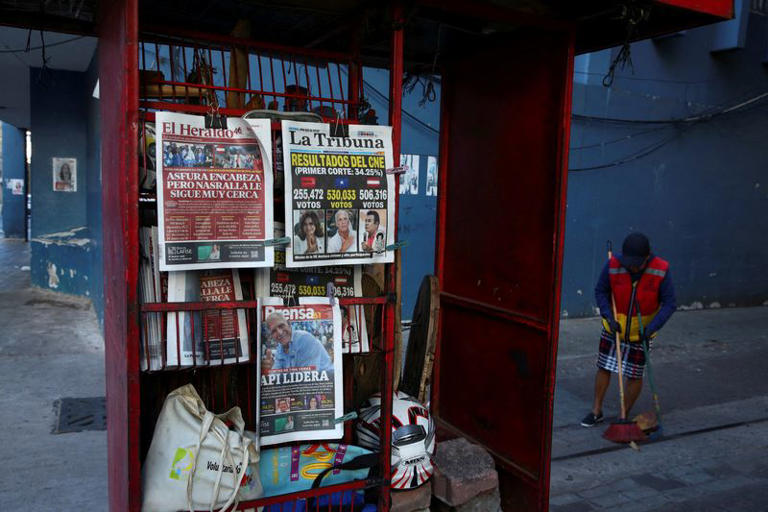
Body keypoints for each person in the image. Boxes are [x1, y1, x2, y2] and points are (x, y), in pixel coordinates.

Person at [581, 233, 676, 427]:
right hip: (613, 327)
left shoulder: (661, 270)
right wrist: (608, 315)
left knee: (634, 374)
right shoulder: (613, 264)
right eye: (629, 263)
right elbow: (601, 291)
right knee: (604, 367)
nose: (632, 267)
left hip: (642, 332)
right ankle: (596, 410)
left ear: (647, 257)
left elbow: (670, 303)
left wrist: (652, 328)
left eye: (636, 264)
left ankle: (623, 414)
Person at [262, 312, 334, 373]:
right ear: (271, 336)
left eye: (281, 326)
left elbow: (307, 377)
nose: (280, 332)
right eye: (274, 331)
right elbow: (276, 375)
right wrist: (271, 371)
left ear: (289, 323)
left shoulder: (305, 339)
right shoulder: (280, 349)